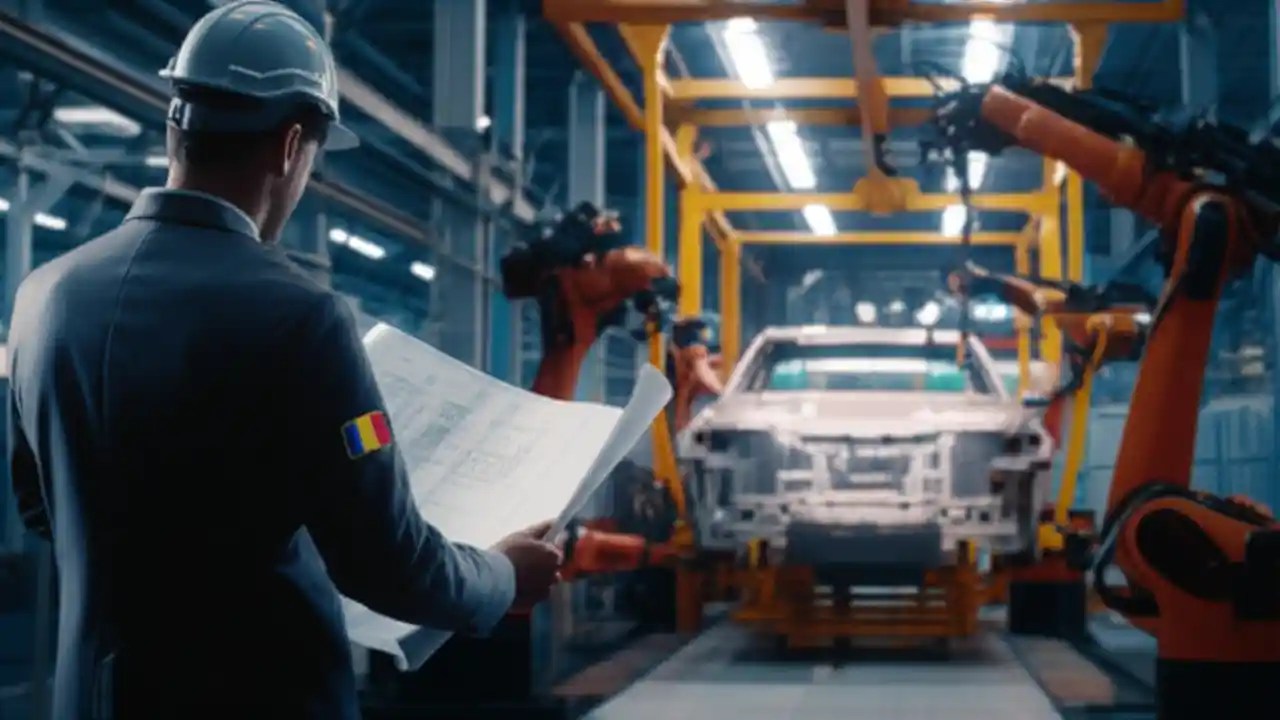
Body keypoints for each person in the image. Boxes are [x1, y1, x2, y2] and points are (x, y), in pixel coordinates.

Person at [6, 2, 561, 718]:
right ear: (291, 144)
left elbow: (39, 502)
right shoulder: (301, 317)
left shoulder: (43, 296)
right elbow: (391, 566)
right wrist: (501, 575)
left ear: (177, 123)